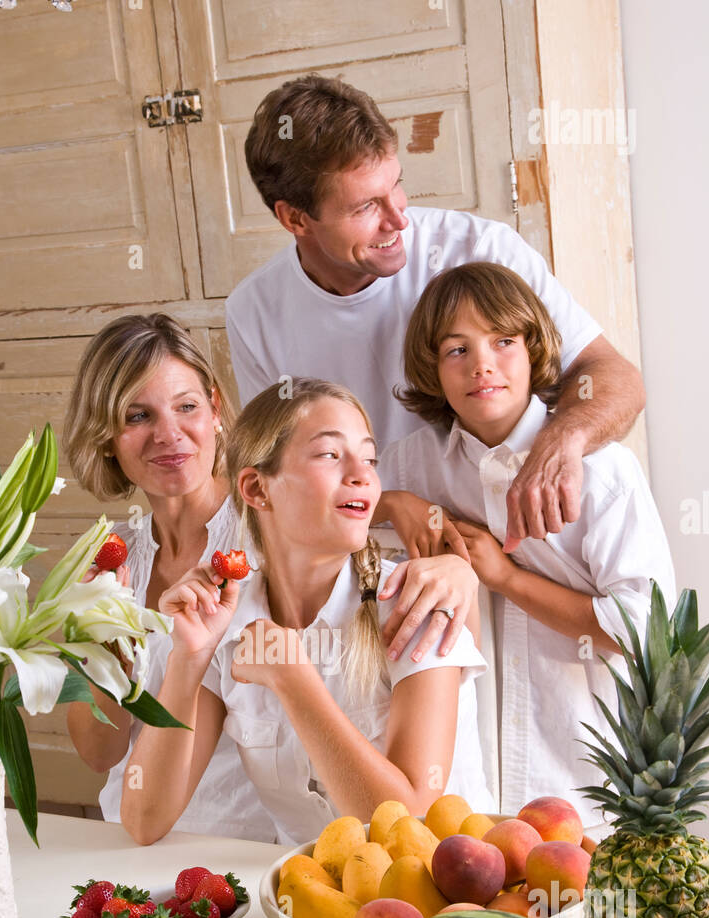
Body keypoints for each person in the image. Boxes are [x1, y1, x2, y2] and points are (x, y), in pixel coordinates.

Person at [63, 314, 477, 836]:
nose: (169, 435)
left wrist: (462, 572)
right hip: (249, 873)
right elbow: (127, 796)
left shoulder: (401, 597)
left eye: (186, 406)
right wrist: (146, 651)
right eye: (138, 415)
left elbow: (406, 829)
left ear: (215, 408)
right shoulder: (194, 599)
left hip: (277, 853)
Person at [226, 73, 645, 554]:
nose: (399, 218)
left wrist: (563, 441)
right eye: (365, 206)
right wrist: (391, 503)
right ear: (295, 218)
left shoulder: (480, 249)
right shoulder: (254, 311)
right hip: (370, 560)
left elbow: (616, 378)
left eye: (396, 185)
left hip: (519, 546)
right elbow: (277, 474)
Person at [376, 261, 676, 822]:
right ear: (433, 369)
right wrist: (392, 502)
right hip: (463, 779)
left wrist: (507, 578)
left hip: (584, 777)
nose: (482, 365)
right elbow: (321, 518)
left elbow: (644, 631)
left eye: (503, 341)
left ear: (533, 349)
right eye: (456, 350)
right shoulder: (409, 463)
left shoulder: (605, 473)